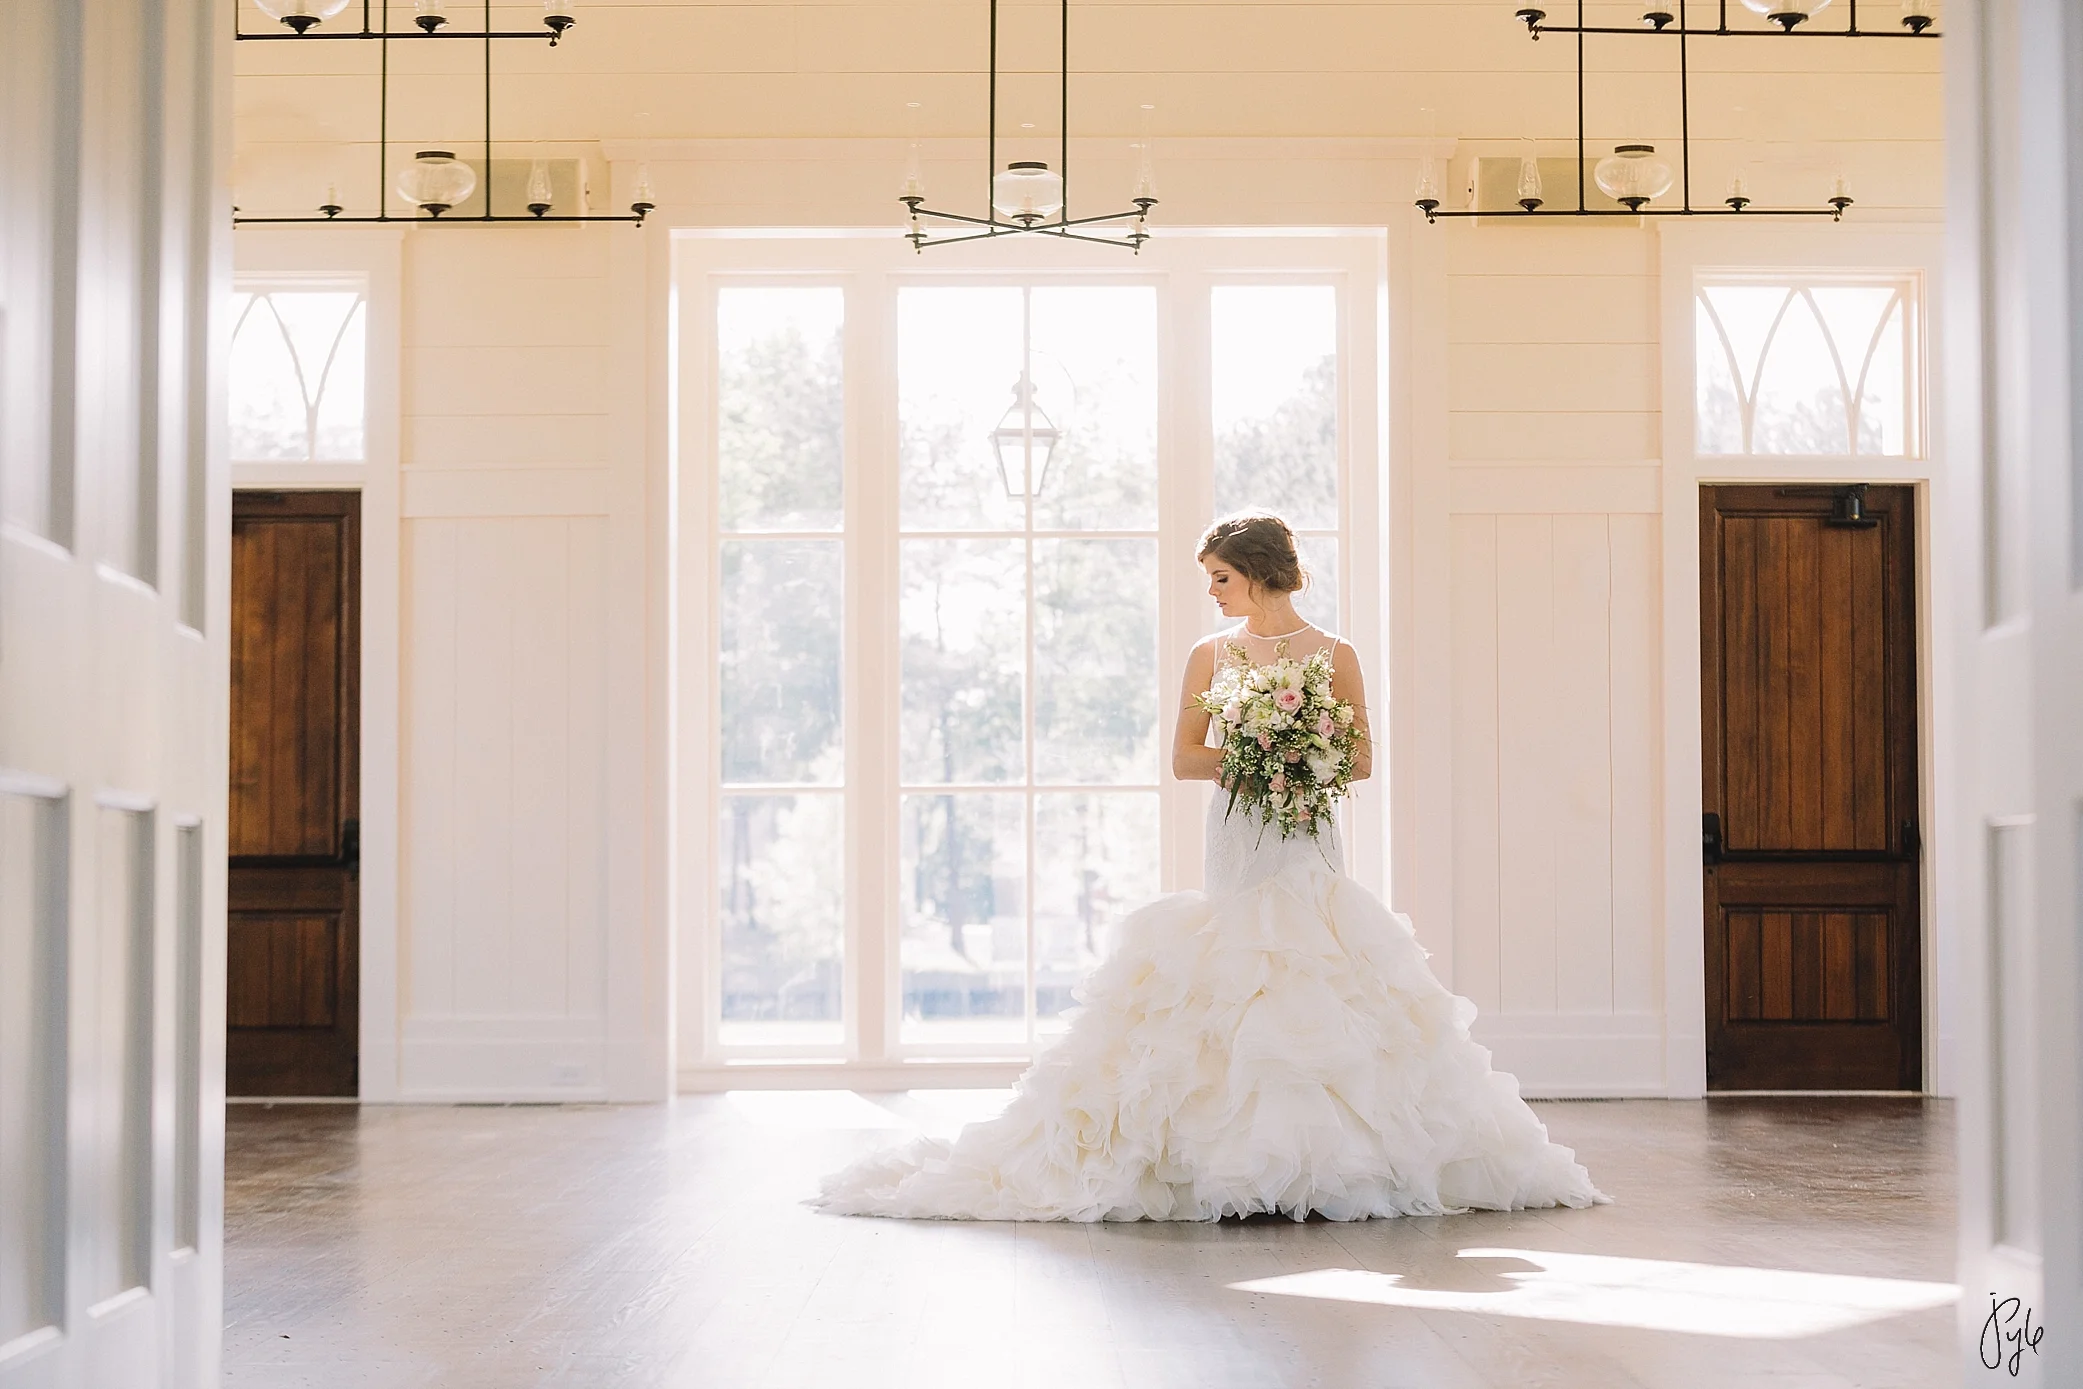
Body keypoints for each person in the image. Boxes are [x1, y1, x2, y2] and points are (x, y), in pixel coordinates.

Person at [814, 512, 1607, 1221]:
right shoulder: (1210, 654)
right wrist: (1256, 753)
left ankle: (1326, 1162)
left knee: (1320, 964)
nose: (1214, 594)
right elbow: (1185, 759)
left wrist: (1300, 755)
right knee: (1236, 968)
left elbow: (1360, 756)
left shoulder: (1335, 653)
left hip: (1307, 832)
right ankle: (1214, 1152)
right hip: (1239, 835)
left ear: (1259, 573)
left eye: (1220, 578)